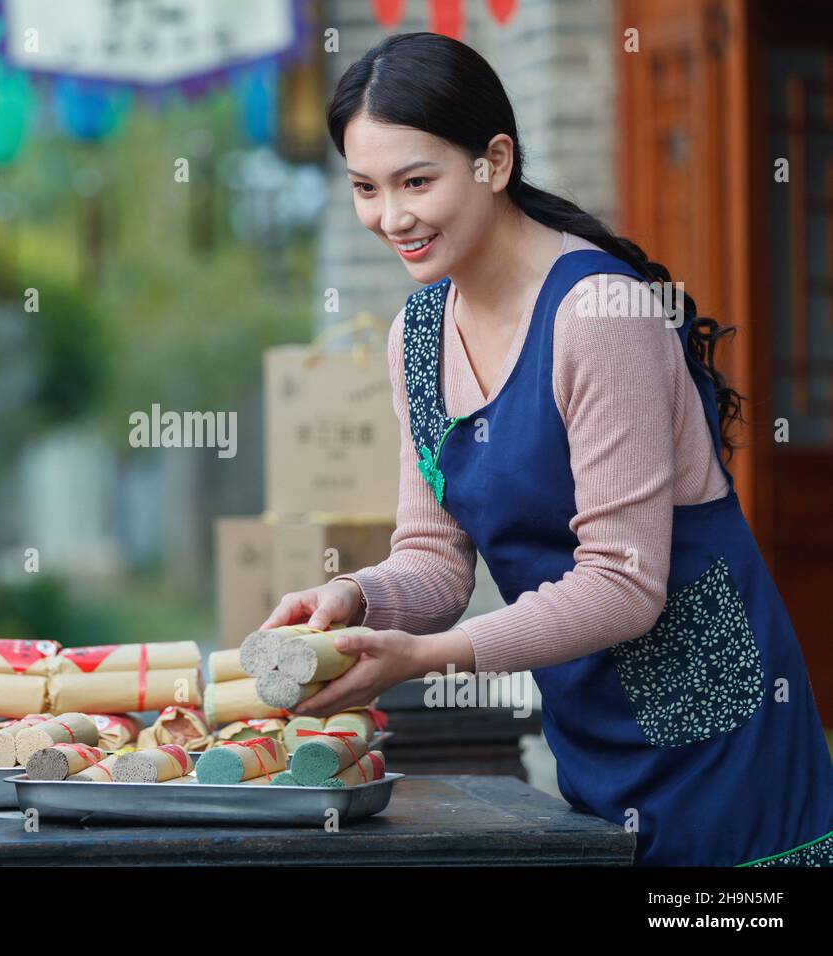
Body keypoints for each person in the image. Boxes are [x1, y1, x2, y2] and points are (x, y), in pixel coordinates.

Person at [261, 31, 833, 867]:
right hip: (589, 722)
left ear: (494, 162)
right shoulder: (419, 338)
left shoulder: (599, 314)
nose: (394, 217)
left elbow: (623, 584)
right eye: (366, 188)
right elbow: (433, 562)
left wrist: (426, 659)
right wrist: (354, 600)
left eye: (418, 181)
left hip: (719, 737)